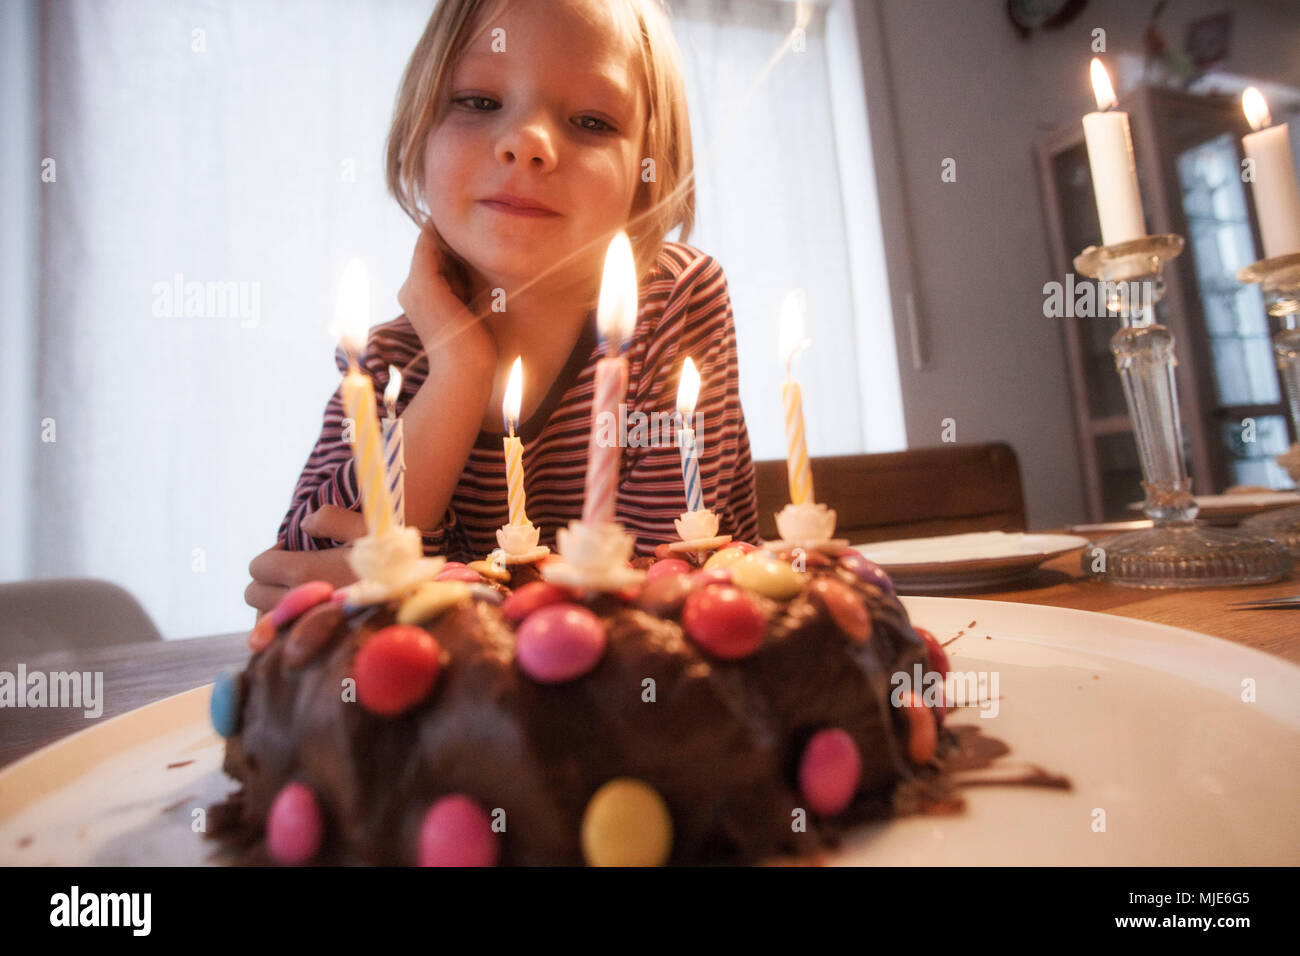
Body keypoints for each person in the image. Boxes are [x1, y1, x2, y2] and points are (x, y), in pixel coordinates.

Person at [245, 0, 758, 615]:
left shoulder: (674, 306)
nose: (526, 143)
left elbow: (663, 588)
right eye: (479, 102)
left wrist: (436, 588)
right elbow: (299, 571)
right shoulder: (388, 362)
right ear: (417, 133)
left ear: (648, 174)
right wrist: (459, 373)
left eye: (592, 121)